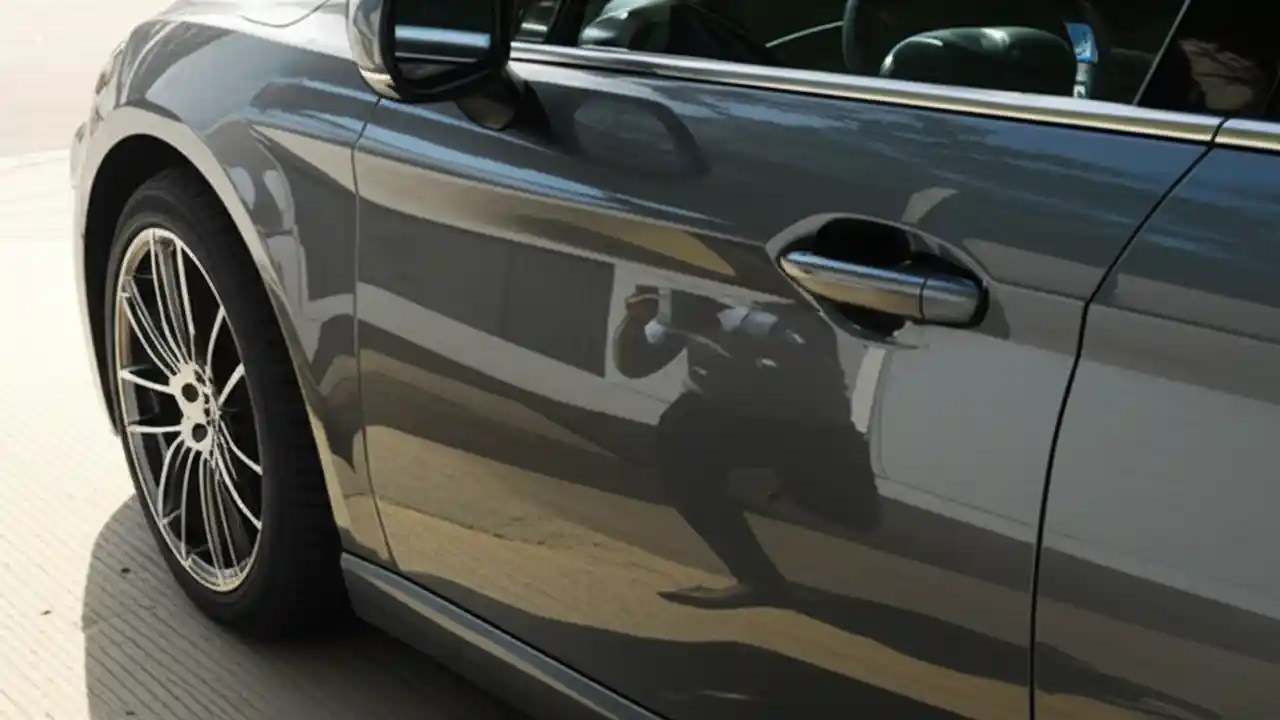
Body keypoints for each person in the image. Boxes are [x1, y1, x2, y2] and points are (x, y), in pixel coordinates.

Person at [614, 286, 881, 609]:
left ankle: (789, 501)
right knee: (680, 431)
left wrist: (718, 317)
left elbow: (803, 355)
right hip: (724, 417)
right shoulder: (695, 295)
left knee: (859, 518)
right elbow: (635, 364)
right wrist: (636, 321)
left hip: (811, 426)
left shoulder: (799, 299)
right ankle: (757, 578)